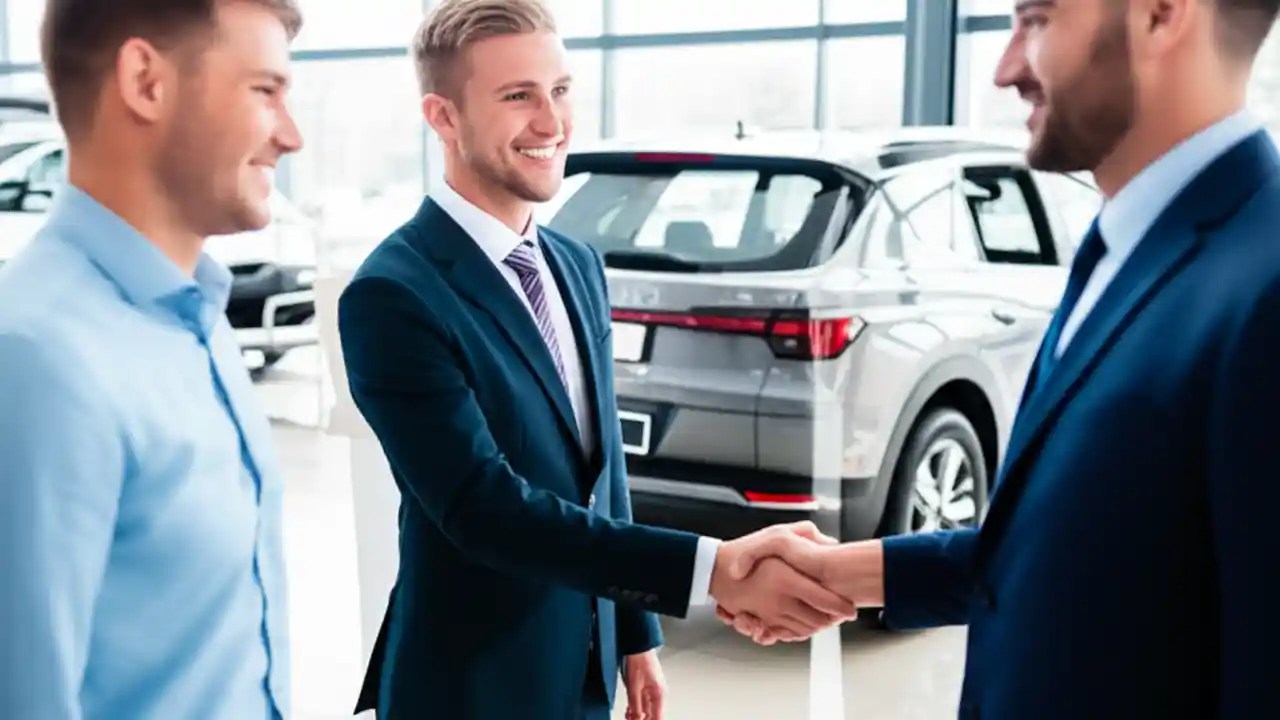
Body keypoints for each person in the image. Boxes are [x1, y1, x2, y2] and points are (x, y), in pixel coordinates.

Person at [719, 0, 1280, 718]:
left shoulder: (1264, 289)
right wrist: (846, 573)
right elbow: (1086, 549)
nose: (1005, 66)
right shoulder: (1128, 247)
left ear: (1161, 15)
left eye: (1036, 21)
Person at [337, 1, 856, 718]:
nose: (551, 123)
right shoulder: (392, 294)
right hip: (472, 684)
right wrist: (715, 570)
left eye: (560, 90)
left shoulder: (576, 264)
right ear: (444, 117)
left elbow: (602, 464)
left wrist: (637, 637)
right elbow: (483, 510)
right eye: (517, 96)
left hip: (586, 668)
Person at [0, 1, 304, 718]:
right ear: (145, 81)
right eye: (265, 91)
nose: (291, 135)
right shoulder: (38, 361)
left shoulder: (198, 318)